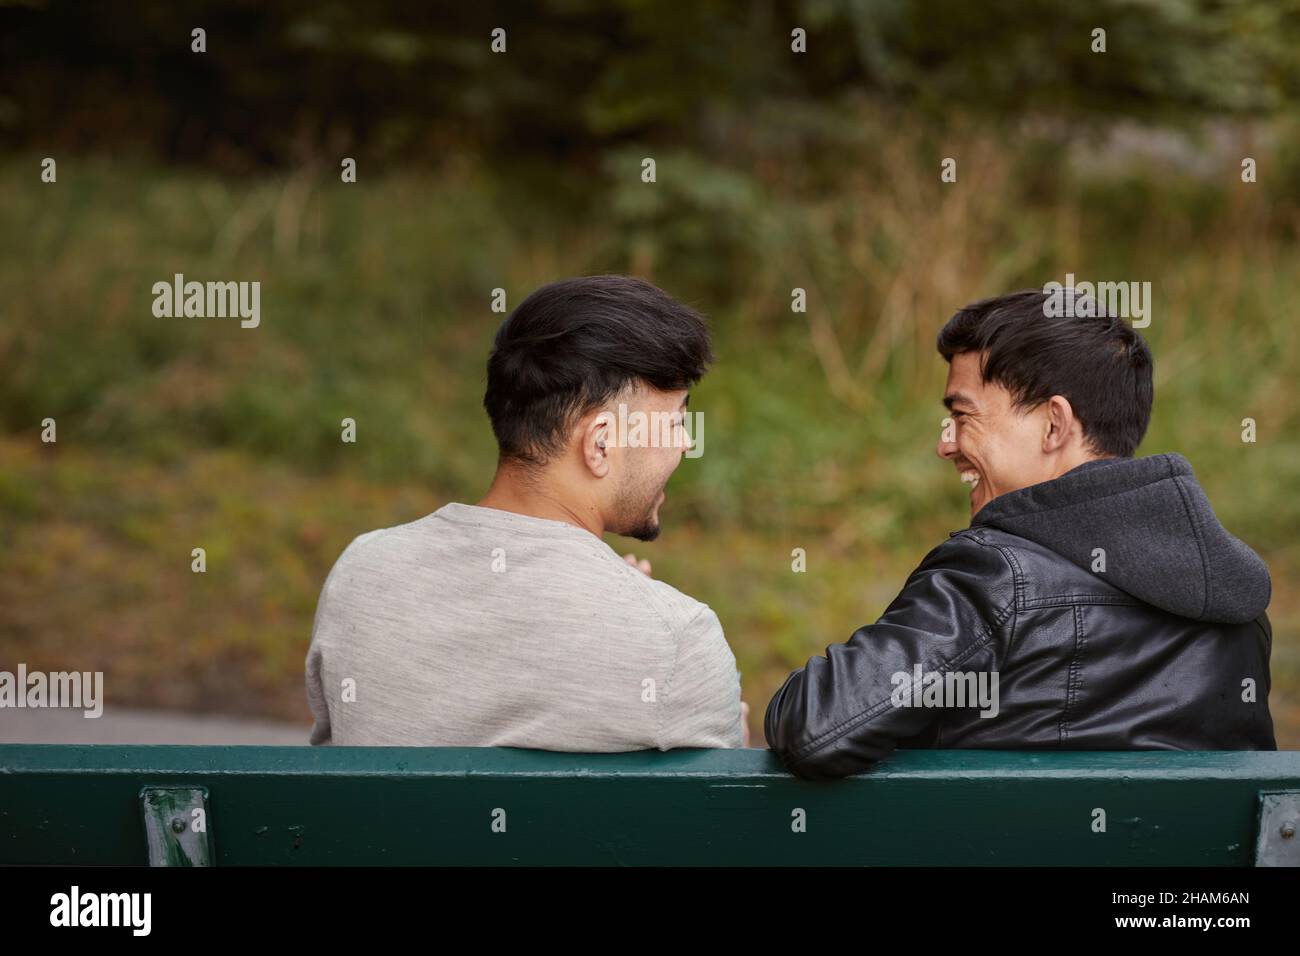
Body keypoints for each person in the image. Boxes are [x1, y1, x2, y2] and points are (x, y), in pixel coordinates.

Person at [765, 289, 1275, 779]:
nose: (947, 445)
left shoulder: (995, 576)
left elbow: (815, 730)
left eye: (962, 415)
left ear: (1054, 425)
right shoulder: (1235, 600)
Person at [307, 275, 746, 749]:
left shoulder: (362, 573)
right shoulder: (677, 641)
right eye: (677, 422)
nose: (686, 443)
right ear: (601, 443)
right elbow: (722, 811)